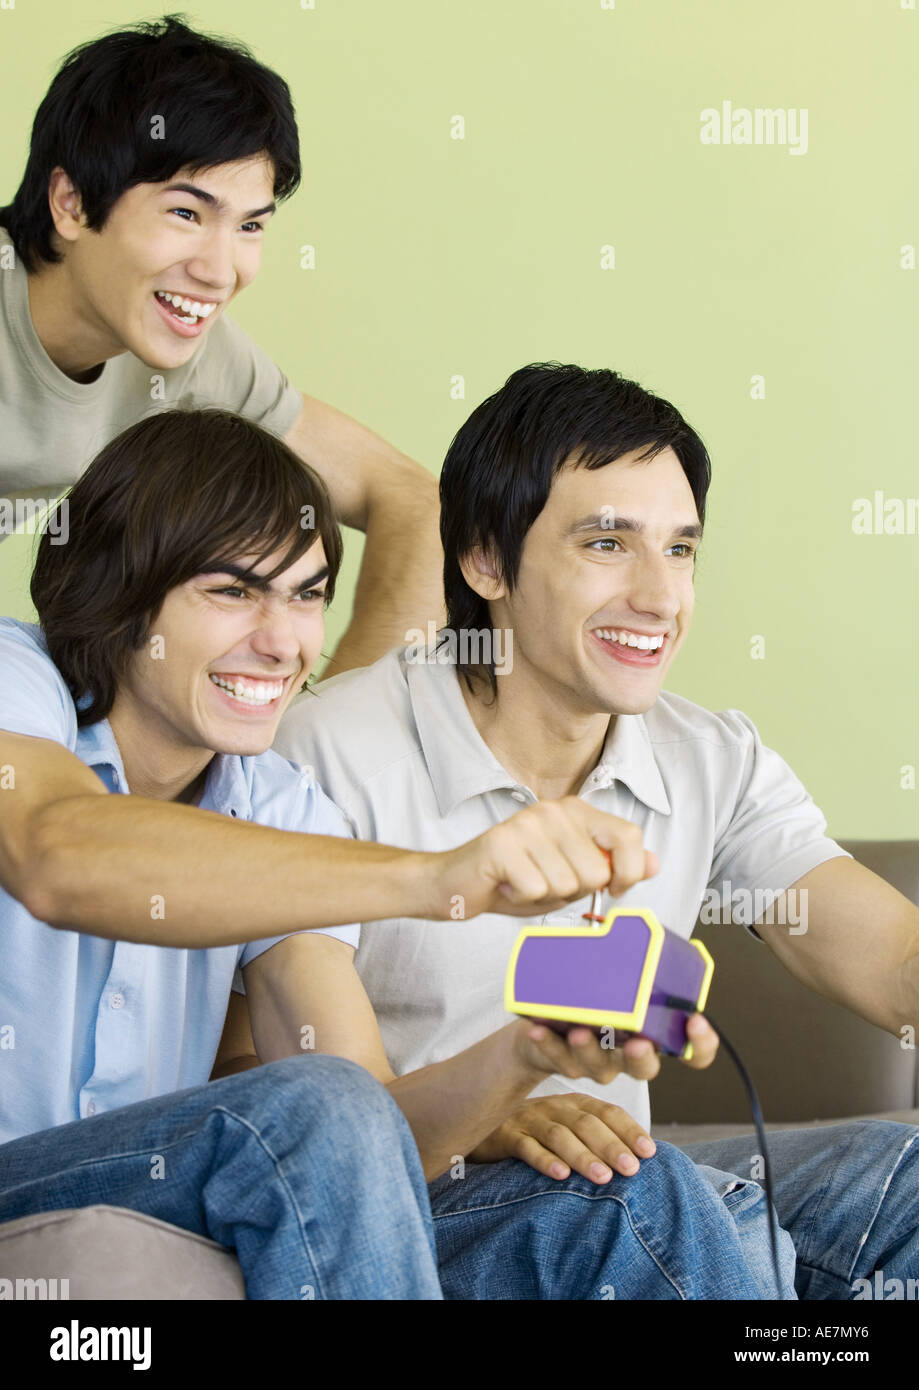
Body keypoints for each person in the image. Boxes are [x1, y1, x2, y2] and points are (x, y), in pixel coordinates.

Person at [0, 406, 780, 1301]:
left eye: (305, 594)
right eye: (232, 592)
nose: (283, 641)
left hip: (161, 1184)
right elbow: (57, 853)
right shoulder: (18, 684)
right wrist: (439, 878)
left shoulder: (281, 803)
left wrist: (526, 1056)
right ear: (119, 590)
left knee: (348, 1105)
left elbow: (368, 1122)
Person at [274, 361, 919, 1299]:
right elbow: (259, 1086)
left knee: (899, 1178)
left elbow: (887, 954)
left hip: (630, 1190)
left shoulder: (709, 756)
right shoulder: (324, 755)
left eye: (681, 549)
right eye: (608, 543)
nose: (660, 598)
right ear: (485, 559)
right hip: (421, 1208)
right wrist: (490, 1119)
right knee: (637, 1203)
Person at [0, 14, 441, 675]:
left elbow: (413, 502)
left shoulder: (189, 356)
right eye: (186, 213)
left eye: (249, 226)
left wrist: (340, 731)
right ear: (71, 203)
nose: (218, 268)